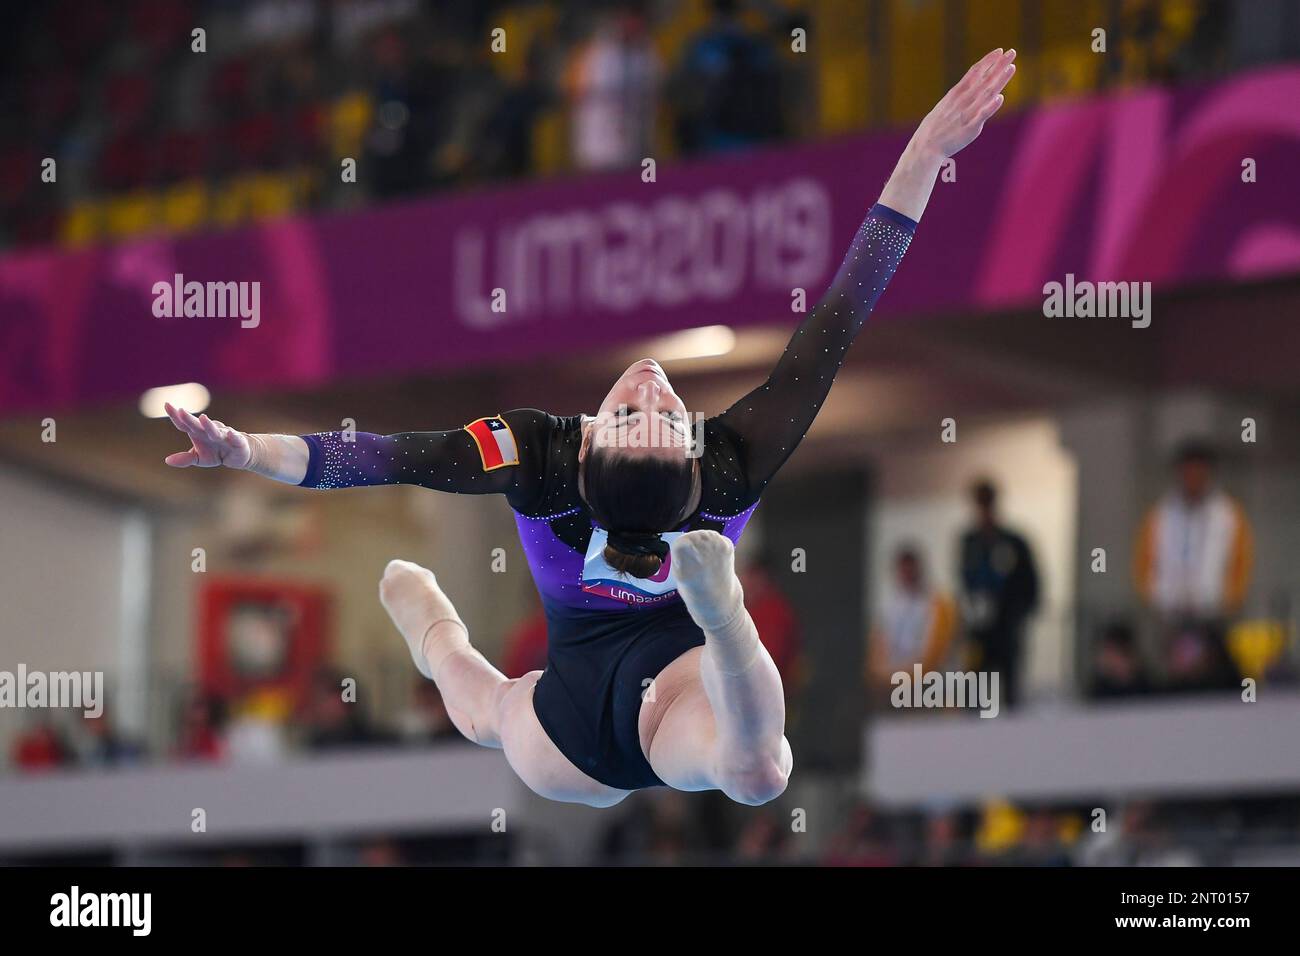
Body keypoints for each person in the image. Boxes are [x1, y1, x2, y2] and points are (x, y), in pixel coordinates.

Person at [162, 49, 1018, 807]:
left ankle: (430, 619)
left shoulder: (539, 452)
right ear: (690, 444)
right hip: (681, 683)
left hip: (574, 720)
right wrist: (923, 158)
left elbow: (385, 456)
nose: (650, 387)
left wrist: (248, 452)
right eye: (663, 413)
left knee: (484, 702)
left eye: (633, 412)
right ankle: (724, 618)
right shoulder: (732, 462)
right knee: (761, 776)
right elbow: (841, 317)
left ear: (589, 436)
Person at [1134, 440, 1253, 690]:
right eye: (1188, 473)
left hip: (1213, 612)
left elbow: (1241, 561)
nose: (1193, 479)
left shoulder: (1228, 515)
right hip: (1171, 612)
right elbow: (1144, 561)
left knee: (1213, 676)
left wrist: (1230, 599)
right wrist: (1154, 597)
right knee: (1175, 678)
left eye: (1198, 473)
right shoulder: (1161, 515)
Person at [957, 479, 1039, 708]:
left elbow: (1030, 584)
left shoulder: (1014, 542)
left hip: (1006, 628)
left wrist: (1020, 615)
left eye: (987, 503)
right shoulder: (969, 543)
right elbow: (965, 583)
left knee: (1010, 688)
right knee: (975, 688)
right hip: (979, 630)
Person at [866, 545, 956, 706]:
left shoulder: (937, 604)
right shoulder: (888, 608)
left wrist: (900, 678)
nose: (907, 576)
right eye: (903, 571)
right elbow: (876, 653)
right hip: (892, 685)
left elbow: (934, 656)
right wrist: (883, 678)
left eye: (910, 571)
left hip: (926, 685)